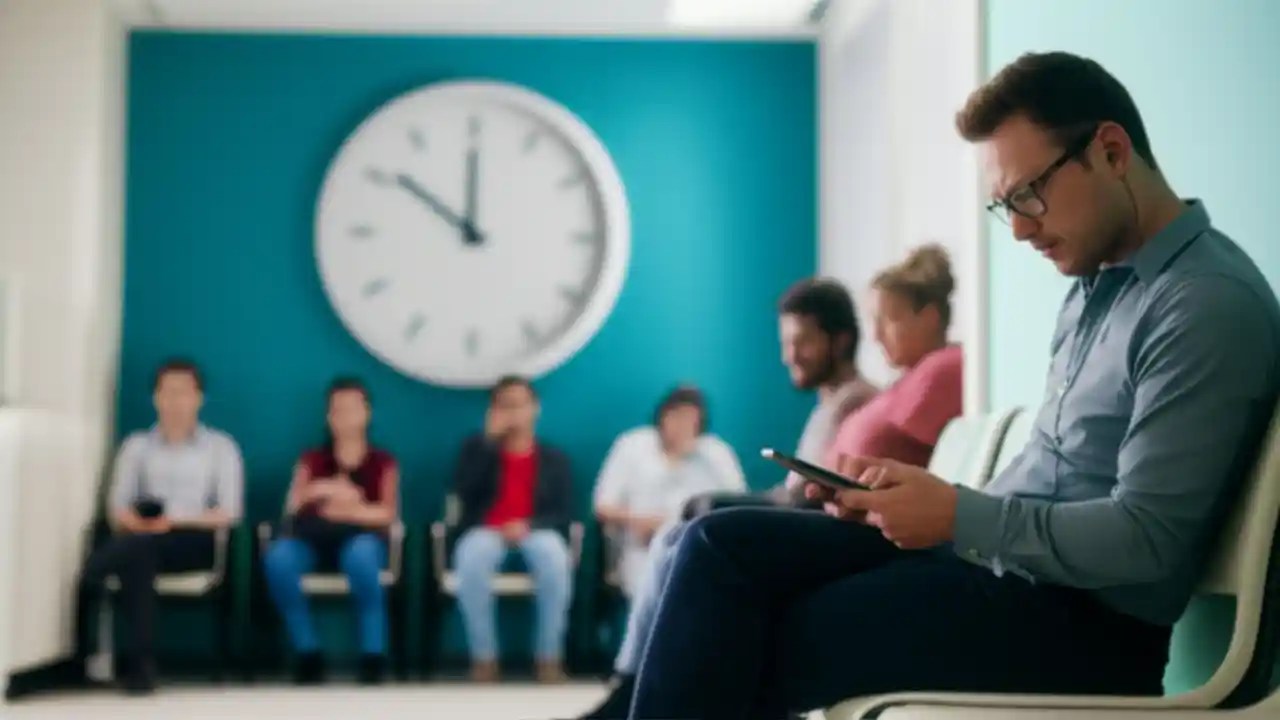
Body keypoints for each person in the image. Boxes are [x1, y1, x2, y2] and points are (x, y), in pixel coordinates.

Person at [623, 51, 1280, 720]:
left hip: (1083, 628)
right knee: (715, 545)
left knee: (752, 633)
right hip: (1001, 574)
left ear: (1111, 152)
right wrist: (912, 504)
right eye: (1005, 206)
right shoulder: (1094, 290)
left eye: (1029, 193)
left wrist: (958, 515)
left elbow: (1148, 541)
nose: (1019, 228)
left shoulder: (1203, 304)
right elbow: (1046, 484)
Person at [579, 278, 878, 718]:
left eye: (802, 342)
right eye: (786, 343)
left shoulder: (857, 405)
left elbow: (816, 498)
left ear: (841, 340)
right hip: (805, 519)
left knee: (689, 530)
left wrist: (714, 504)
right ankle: (633, 684)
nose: (789, 355)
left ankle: (632, 690)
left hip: (830, 533)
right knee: (680, 531)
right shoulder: (829, 405)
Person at [74, 359, 243, 695]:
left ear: (199, 398)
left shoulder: (220, 447)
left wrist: (174, 521)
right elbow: (118, 506)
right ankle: (141, 666)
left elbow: (229, 512)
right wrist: (136, 522)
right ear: (155, 398)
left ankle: (94, 574)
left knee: (133, 552)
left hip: (194, 537)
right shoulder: (136, 447)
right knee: (140, 553)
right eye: (168, 392)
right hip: (143, 537)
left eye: (184, 393)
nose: (176, 401)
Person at [262, 377, 398, 685]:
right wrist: (323, 488)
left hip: (361, 537)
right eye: (338, 410)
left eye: (353, 408)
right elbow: (293, 506)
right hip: (311, 538)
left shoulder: (383, 462)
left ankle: (373, 655)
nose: (345, 417)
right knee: (279, 559)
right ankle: (307, 652)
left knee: (362, 558)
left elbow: (387, 513)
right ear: (328, 417)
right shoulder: (311, 460)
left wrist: (350, 509)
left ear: (367, 413)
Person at [451, 375, 574, 684]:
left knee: (555, 557)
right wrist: (487, 444)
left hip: (536, 529)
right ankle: (484, 659)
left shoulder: (554, 459)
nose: (514, 412)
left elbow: (562, 513)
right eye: (506, 405)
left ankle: (548, 658)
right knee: (471, 557)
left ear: (535, 408)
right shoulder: (475, 449)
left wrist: (528, 525)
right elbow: (463, 496)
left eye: (520, 405)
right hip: (486, 530)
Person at [594, 386, 746, 597]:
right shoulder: (632, 445)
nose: (682, 427)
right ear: (662, 417)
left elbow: (738, 508)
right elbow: (603, 507)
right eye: (677, 417)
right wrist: (640, 521)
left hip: (699, 548)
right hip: (643, 549)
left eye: (691, 421)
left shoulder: (716, 453)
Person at [824, 245, 964, 467]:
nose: (876, 336)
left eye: (889, 320)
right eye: (874, 322)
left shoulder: (944, 368)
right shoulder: (910, 378)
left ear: (930, 317)